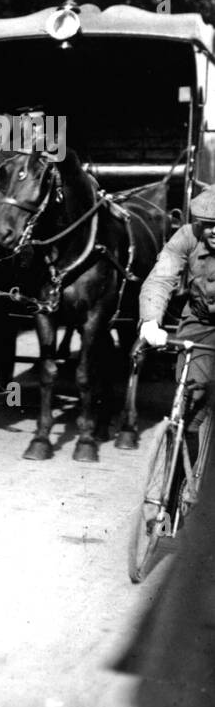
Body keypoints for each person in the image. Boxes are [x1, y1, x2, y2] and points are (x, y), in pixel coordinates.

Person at [139, 188, 215, 495]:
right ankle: (172, 499)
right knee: (188, 409)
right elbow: (161, 277)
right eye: (208, 224)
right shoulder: (186, 236)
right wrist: (151, 321)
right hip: (199, 320)